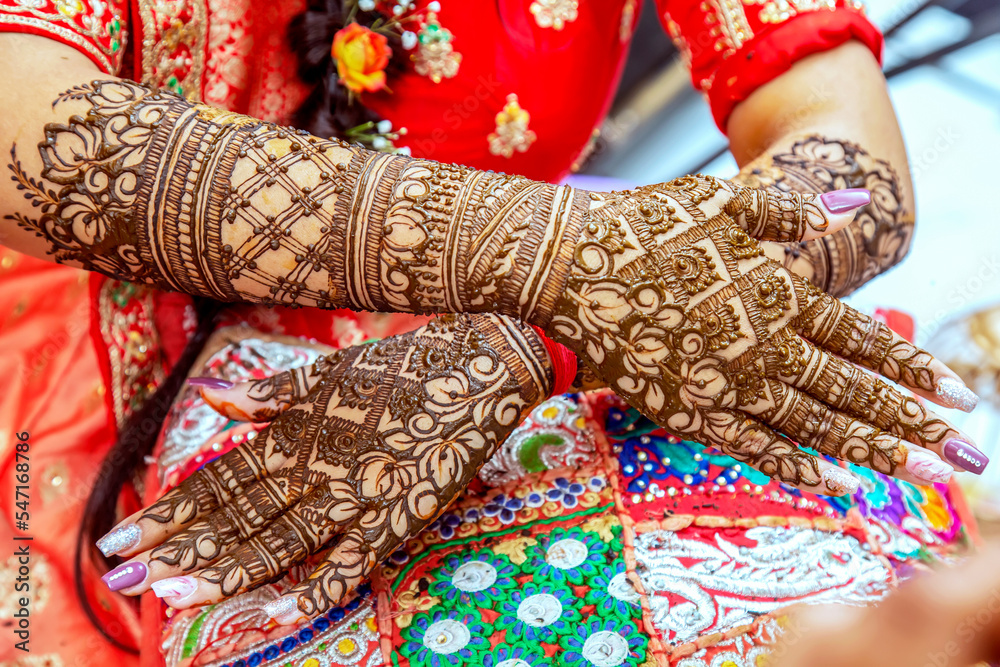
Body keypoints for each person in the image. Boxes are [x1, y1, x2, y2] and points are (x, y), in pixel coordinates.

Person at [0, 1, 986, 666]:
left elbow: (849, 164)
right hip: (109, 378)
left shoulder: (564, 317)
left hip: (557, 360)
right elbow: (33, 138)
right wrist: (560, 258)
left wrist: (530, 338)